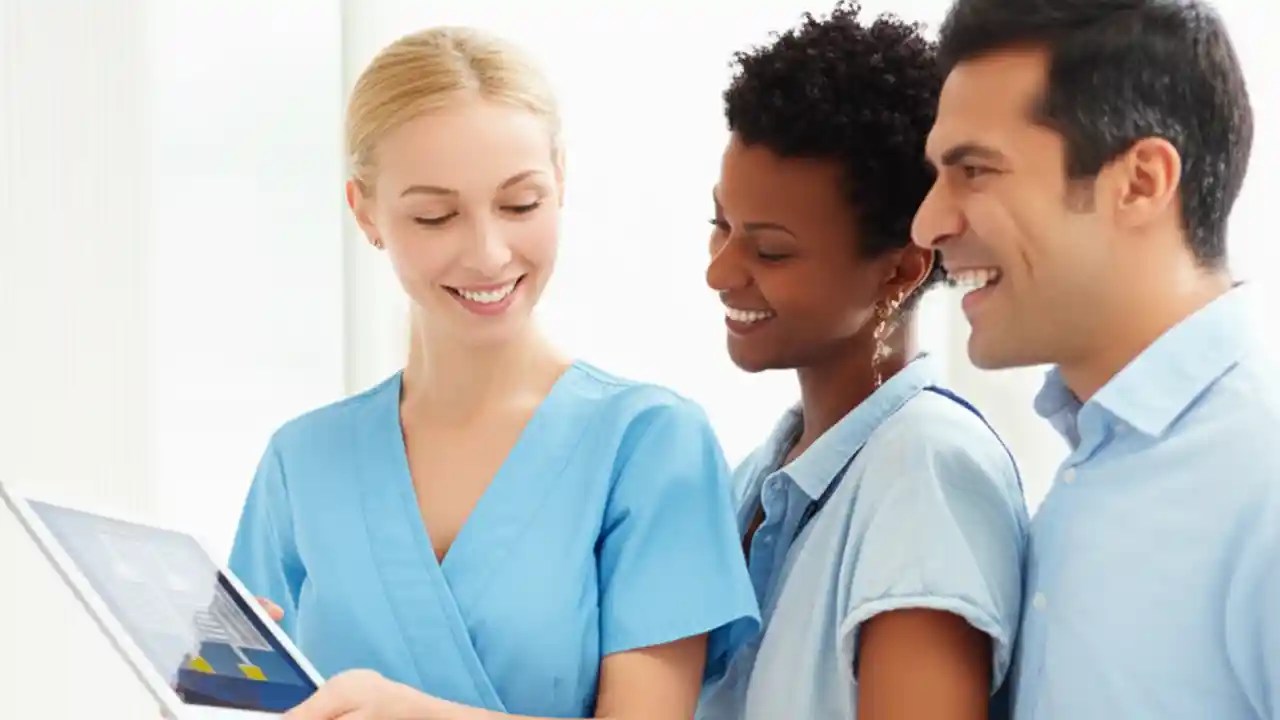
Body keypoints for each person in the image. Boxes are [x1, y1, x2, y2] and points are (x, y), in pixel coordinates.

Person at [229, 26, 759, 720]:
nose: (487, 253)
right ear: (365, 212)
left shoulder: (649, 445)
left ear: (561, 181)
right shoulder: (302, 463)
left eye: (520, 205)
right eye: (435, 214)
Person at [912, 0, 1279, 717]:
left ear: (1139, 181)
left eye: (976, 171)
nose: (929, 223)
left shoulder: (1263, 482)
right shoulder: (1092, 467)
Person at [695, 4, 1029, 719]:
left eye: (770, 249)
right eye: (720, 223)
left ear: (899, 271)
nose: (720, 272)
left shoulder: (926, 475)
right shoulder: (761, 475)